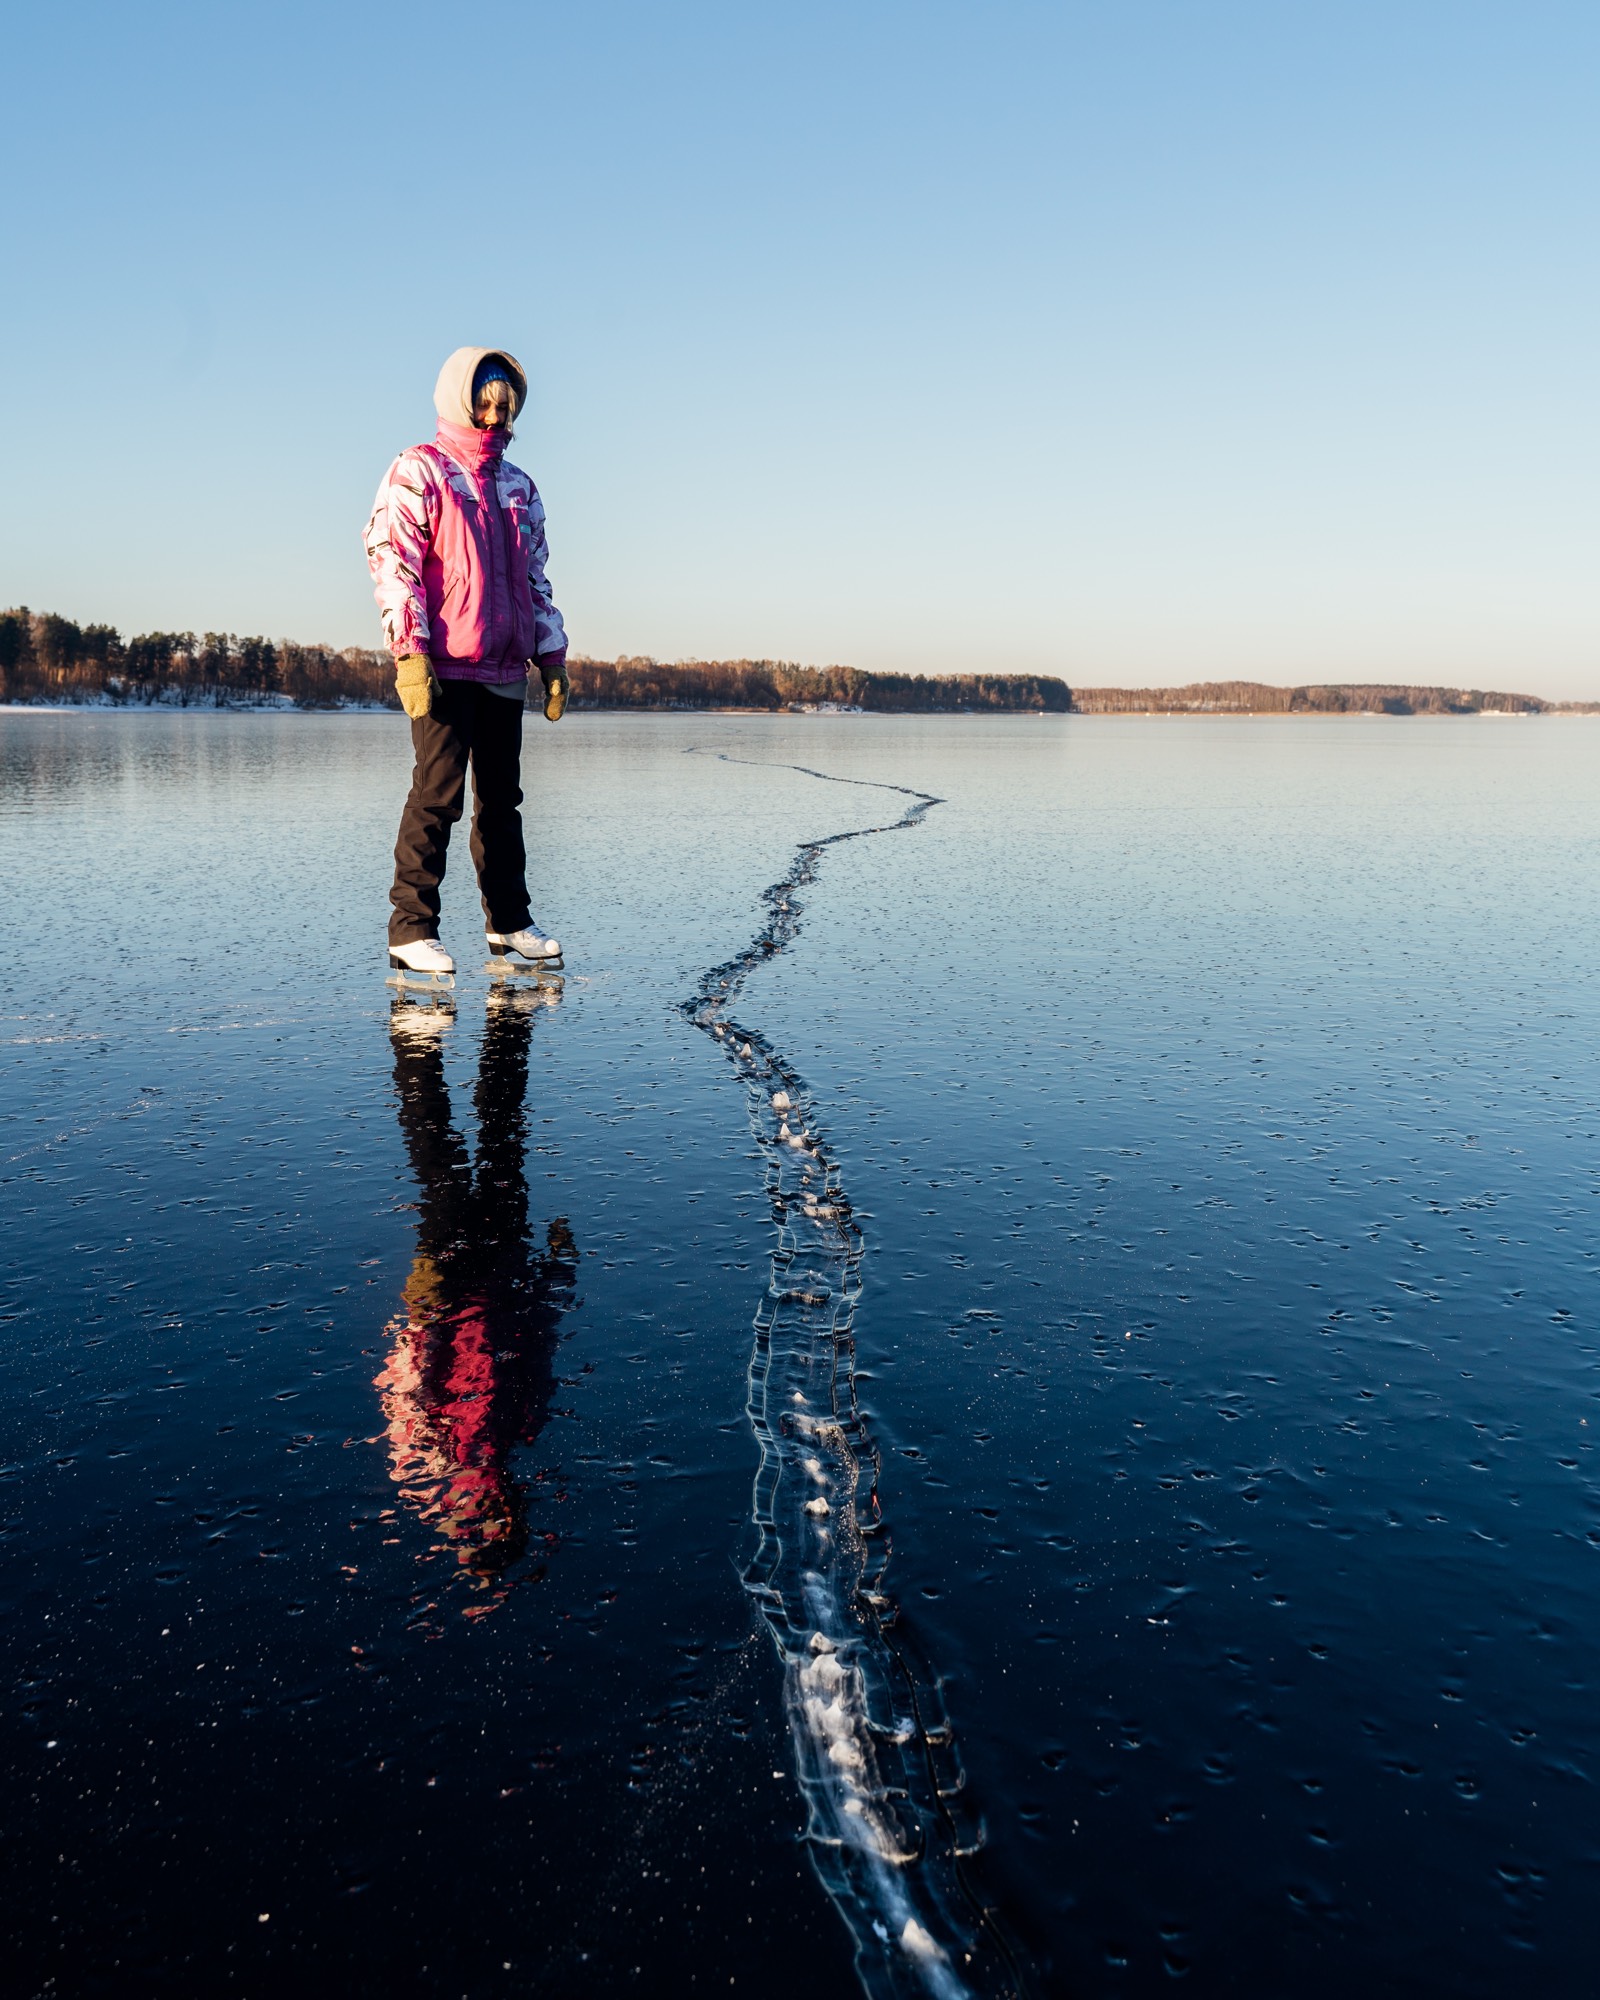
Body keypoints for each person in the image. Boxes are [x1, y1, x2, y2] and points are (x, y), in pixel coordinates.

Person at [363, 346, 570, 978]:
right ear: (461, 399)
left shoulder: (519, 487)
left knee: (502, 803)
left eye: (505, 406)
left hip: (506, 671)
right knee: (437, 796)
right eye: (485, 403)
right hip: (445, 669)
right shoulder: (419, 470)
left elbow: (536, 578)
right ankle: (412, 928)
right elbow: (392, 561)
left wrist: (552, 654)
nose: (495, 416)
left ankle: (509, 924)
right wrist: (411, 654)